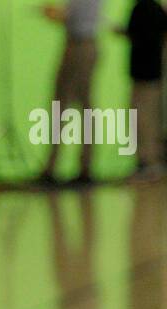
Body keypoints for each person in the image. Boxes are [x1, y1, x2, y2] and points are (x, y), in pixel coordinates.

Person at [38, 0, 105, 185]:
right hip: (77, 44)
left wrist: (52, 13)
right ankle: (66, 165)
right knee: (69, 105)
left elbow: (73, 17)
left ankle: (81, 166)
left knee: (78, 106)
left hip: (80, 45)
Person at [113, 0, 167, 179]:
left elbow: (134, 34)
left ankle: (148, 161)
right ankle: (151, 159)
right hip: (152, 70)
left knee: (142, 118)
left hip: (143, 72)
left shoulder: (142, 8)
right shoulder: (156, 8)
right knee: (149, 117)